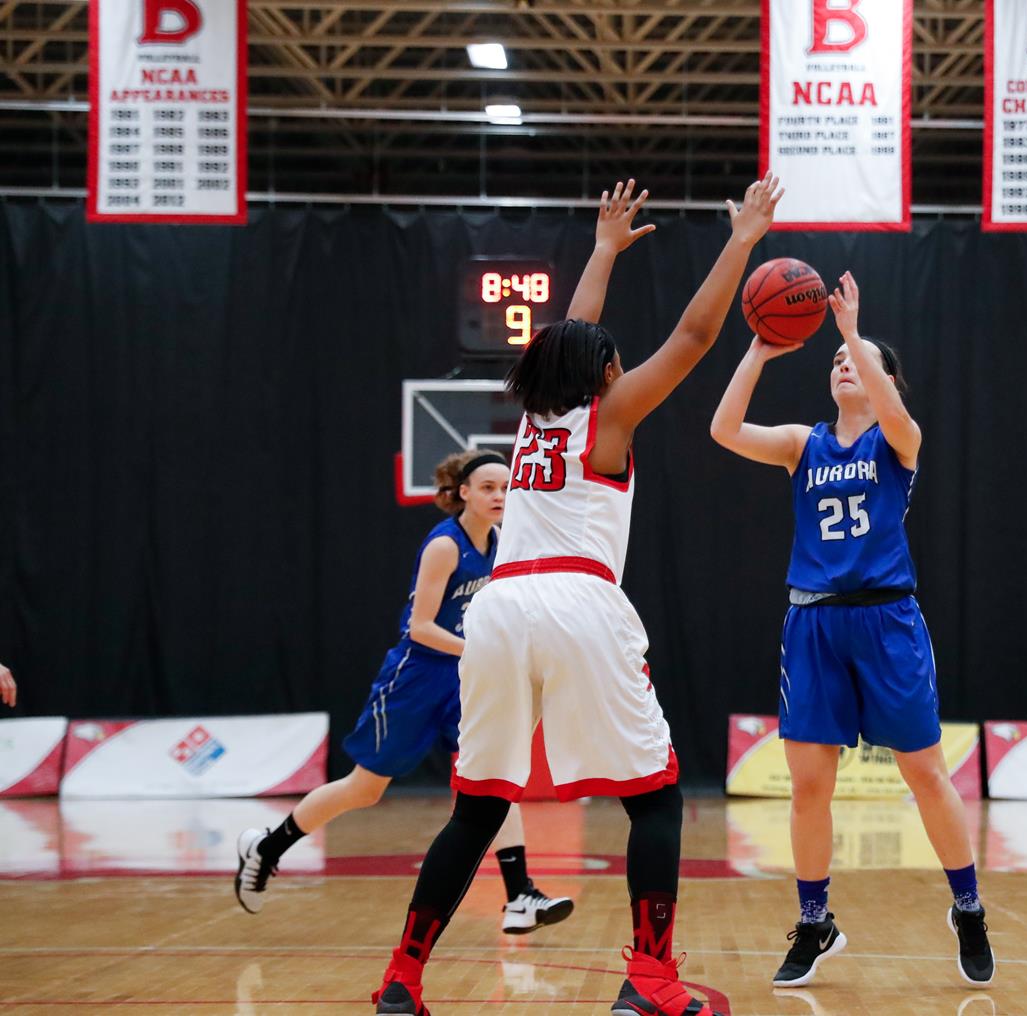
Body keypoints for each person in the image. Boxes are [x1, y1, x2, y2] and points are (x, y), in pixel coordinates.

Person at [367, 173, 783, 1016]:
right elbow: (696, 335)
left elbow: (575, 334)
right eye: (613, 356)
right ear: (601, 372)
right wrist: (743, 242)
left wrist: (600, 252)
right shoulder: (611, 414)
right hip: (574, 603)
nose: (622, 357)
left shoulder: (532, 425)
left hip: (497, 612)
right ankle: (651, 979)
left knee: (477, 808)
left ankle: (402, 980)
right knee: (655, 795)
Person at [709, 271, 996, 989]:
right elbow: (722, 429)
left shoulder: (899, 441)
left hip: (887, 619)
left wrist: (850, 332)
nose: (844, 363)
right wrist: (759, 348)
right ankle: (815, 920)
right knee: (808, 788)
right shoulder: (800, 445)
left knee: (924, 772)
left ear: (884, 380)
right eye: (838, 359)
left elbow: (896, 413)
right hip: (813, 622)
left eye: (861, 360)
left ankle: (967, 906)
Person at [233, 449, 573, 933]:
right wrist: (478, 649)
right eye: (488, 488)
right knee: (364, 789)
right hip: (417, 677)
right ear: (464, 494)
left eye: (506, 487)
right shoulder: (445, 546)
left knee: (494, 778)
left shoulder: (502, 542)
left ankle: (520, 895)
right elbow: (420, 628)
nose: (500, 495)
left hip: (465, 678)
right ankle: (267, 847)